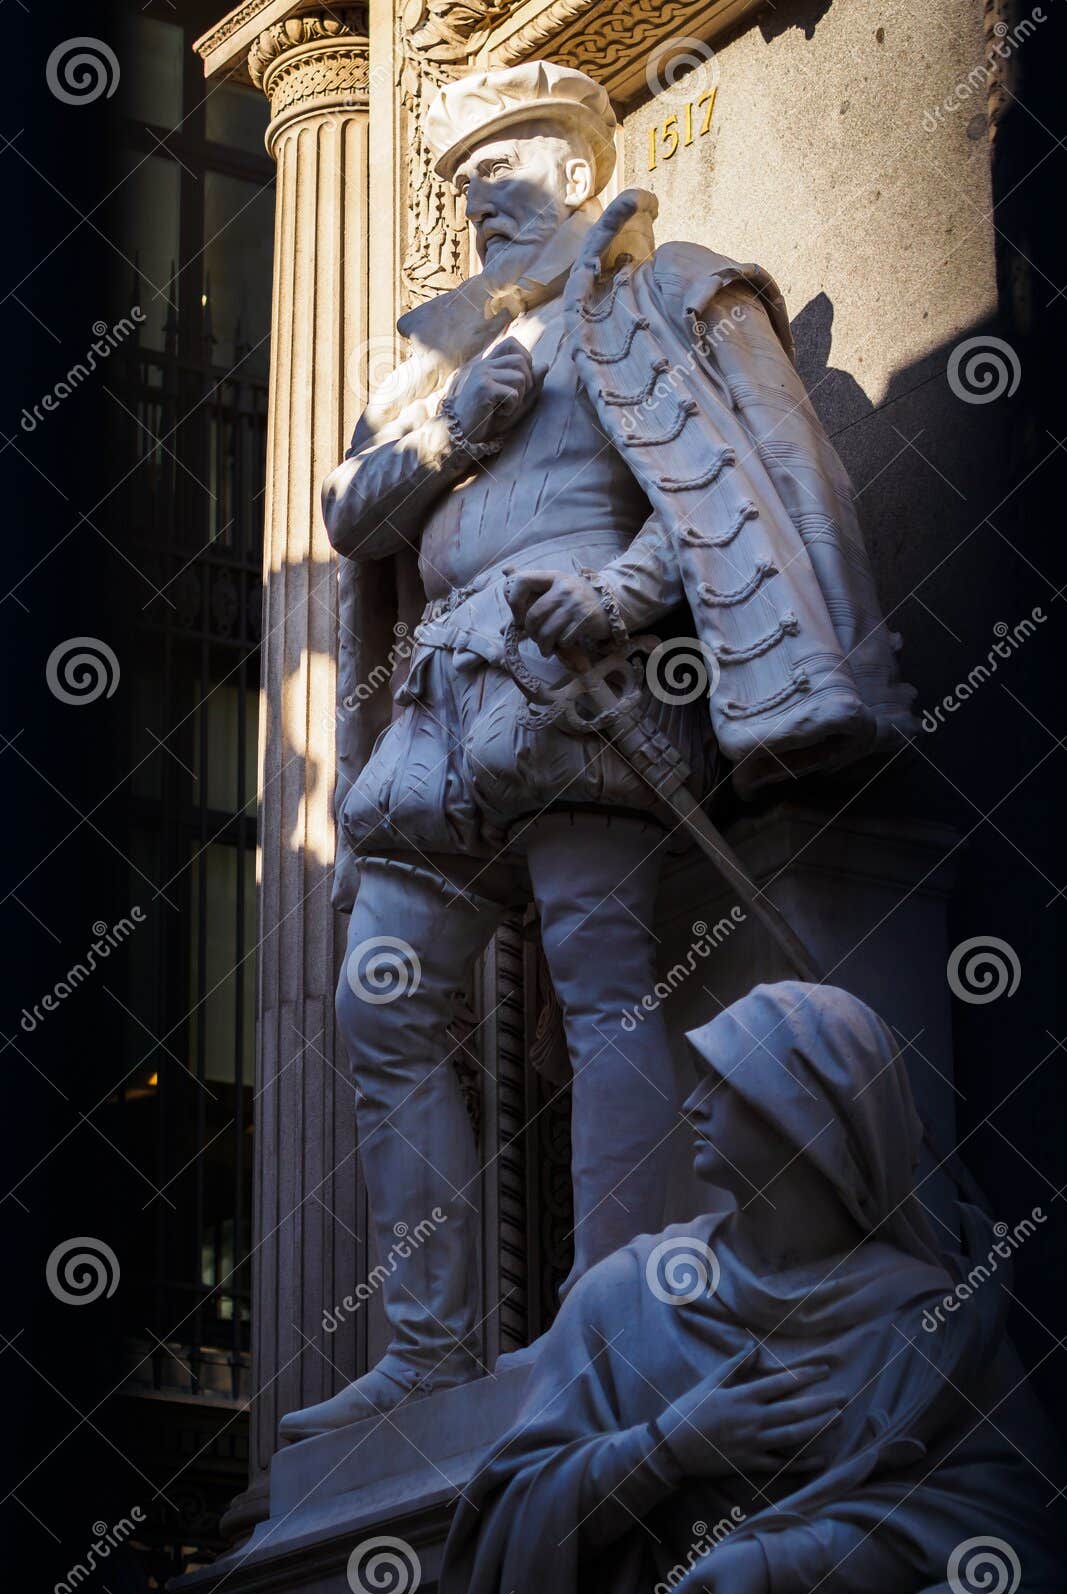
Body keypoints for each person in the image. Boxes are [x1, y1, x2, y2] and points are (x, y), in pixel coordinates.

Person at [281, 58, 915, 1438]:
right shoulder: (444, 358)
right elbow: (350, 513)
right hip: (442, 698)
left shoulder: (658, 288)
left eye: (497, 175)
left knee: (602, 983)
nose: (474, 205)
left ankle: (607, 1309)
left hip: (587, 680)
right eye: (459, 185)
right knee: (380, 1000)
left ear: (571, 171)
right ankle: (428, 1347)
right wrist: (460, 427)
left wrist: (623, 592)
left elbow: (726, 471)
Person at [440, 983, 1062, 1594]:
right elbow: (502, 1530)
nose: (691, 1104)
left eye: (722, 1082)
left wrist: (784, 1564)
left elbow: (1022, 1551)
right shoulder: (626, 1297)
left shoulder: (930, 1326)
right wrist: (665, 1450)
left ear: (804, 1111)